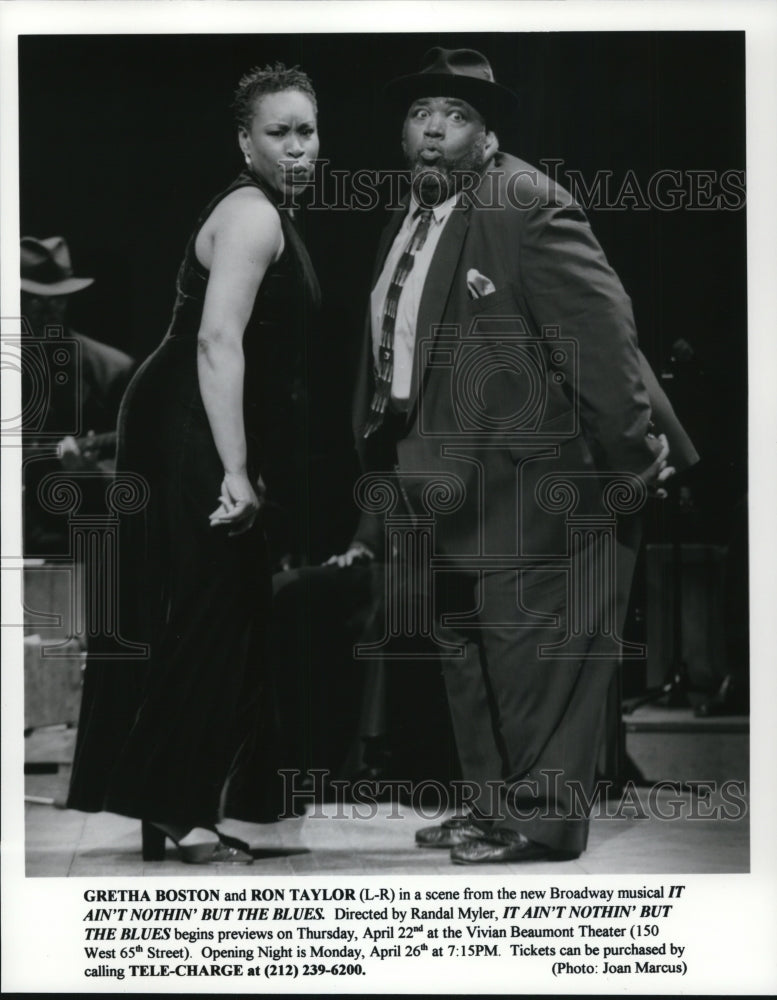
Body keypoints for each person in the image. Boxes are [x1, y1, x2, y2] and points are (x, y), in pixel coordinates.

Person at [346, 48, 697, 864]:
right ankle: (488, 807)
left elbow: (602, 340)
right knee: (464, 650)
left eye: (455, 114)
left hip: (540, 481)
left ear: (487, 130)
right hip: (443, 479)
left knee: (535, 655)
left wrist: (632, 464)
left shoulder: (525, 202)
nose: (432, 126)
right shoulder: (413, 211)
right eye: (419, 112)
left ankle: (541, 821)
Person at [66, 63, 321, 863]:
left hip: (189, 413)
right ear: (245, 142)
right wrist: (235, 470)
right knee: (207, 608)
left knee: (224, 607)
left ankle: (187, 805)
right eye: (278, 133)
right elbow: (216, 341)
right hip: (188, 419)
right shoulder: (251, 215)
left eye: (307, 131)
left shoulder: (262, 209)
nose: (297, 148)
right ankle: (177, 810)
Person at [20, 236, 135, 555]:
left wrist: (91, 474)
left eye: (56, 299)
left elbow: (136, 464)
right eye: (32, 299)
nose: (46, 310)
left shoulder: (112, 370)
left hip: (80, 540)